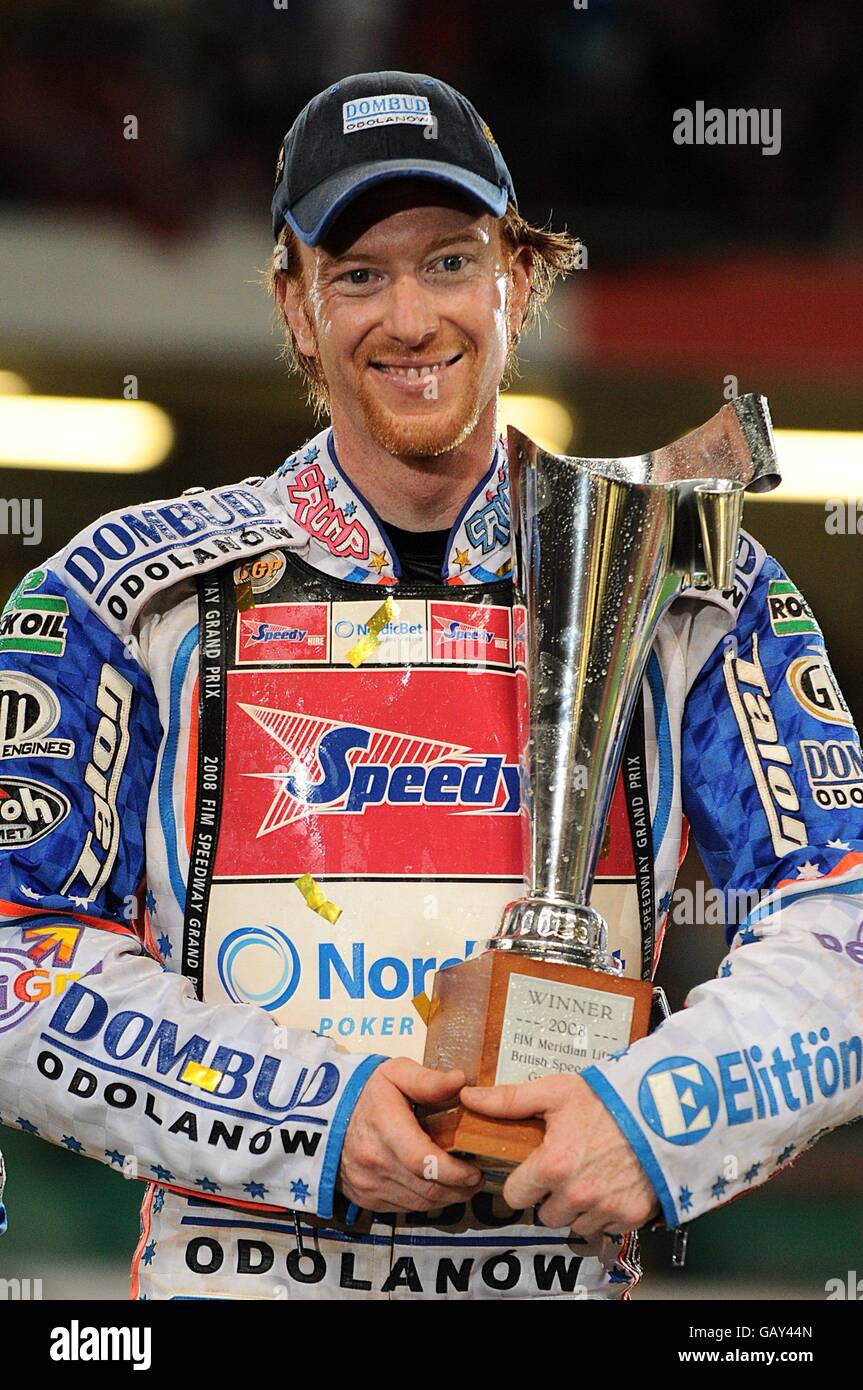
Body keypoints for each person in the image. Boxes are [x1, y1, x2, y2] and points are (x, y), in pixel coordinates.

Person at [0, 70, 862, 1303]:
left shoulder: (697, 580)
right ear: (295, 304)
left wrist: (654, 1119)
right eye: (358, 274)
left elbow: (841, 916)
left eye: (449, 262)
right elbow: (14, 958)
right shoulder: (122, 593)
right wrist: (303, 1112)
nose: (409, 320)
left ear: (518, 278)